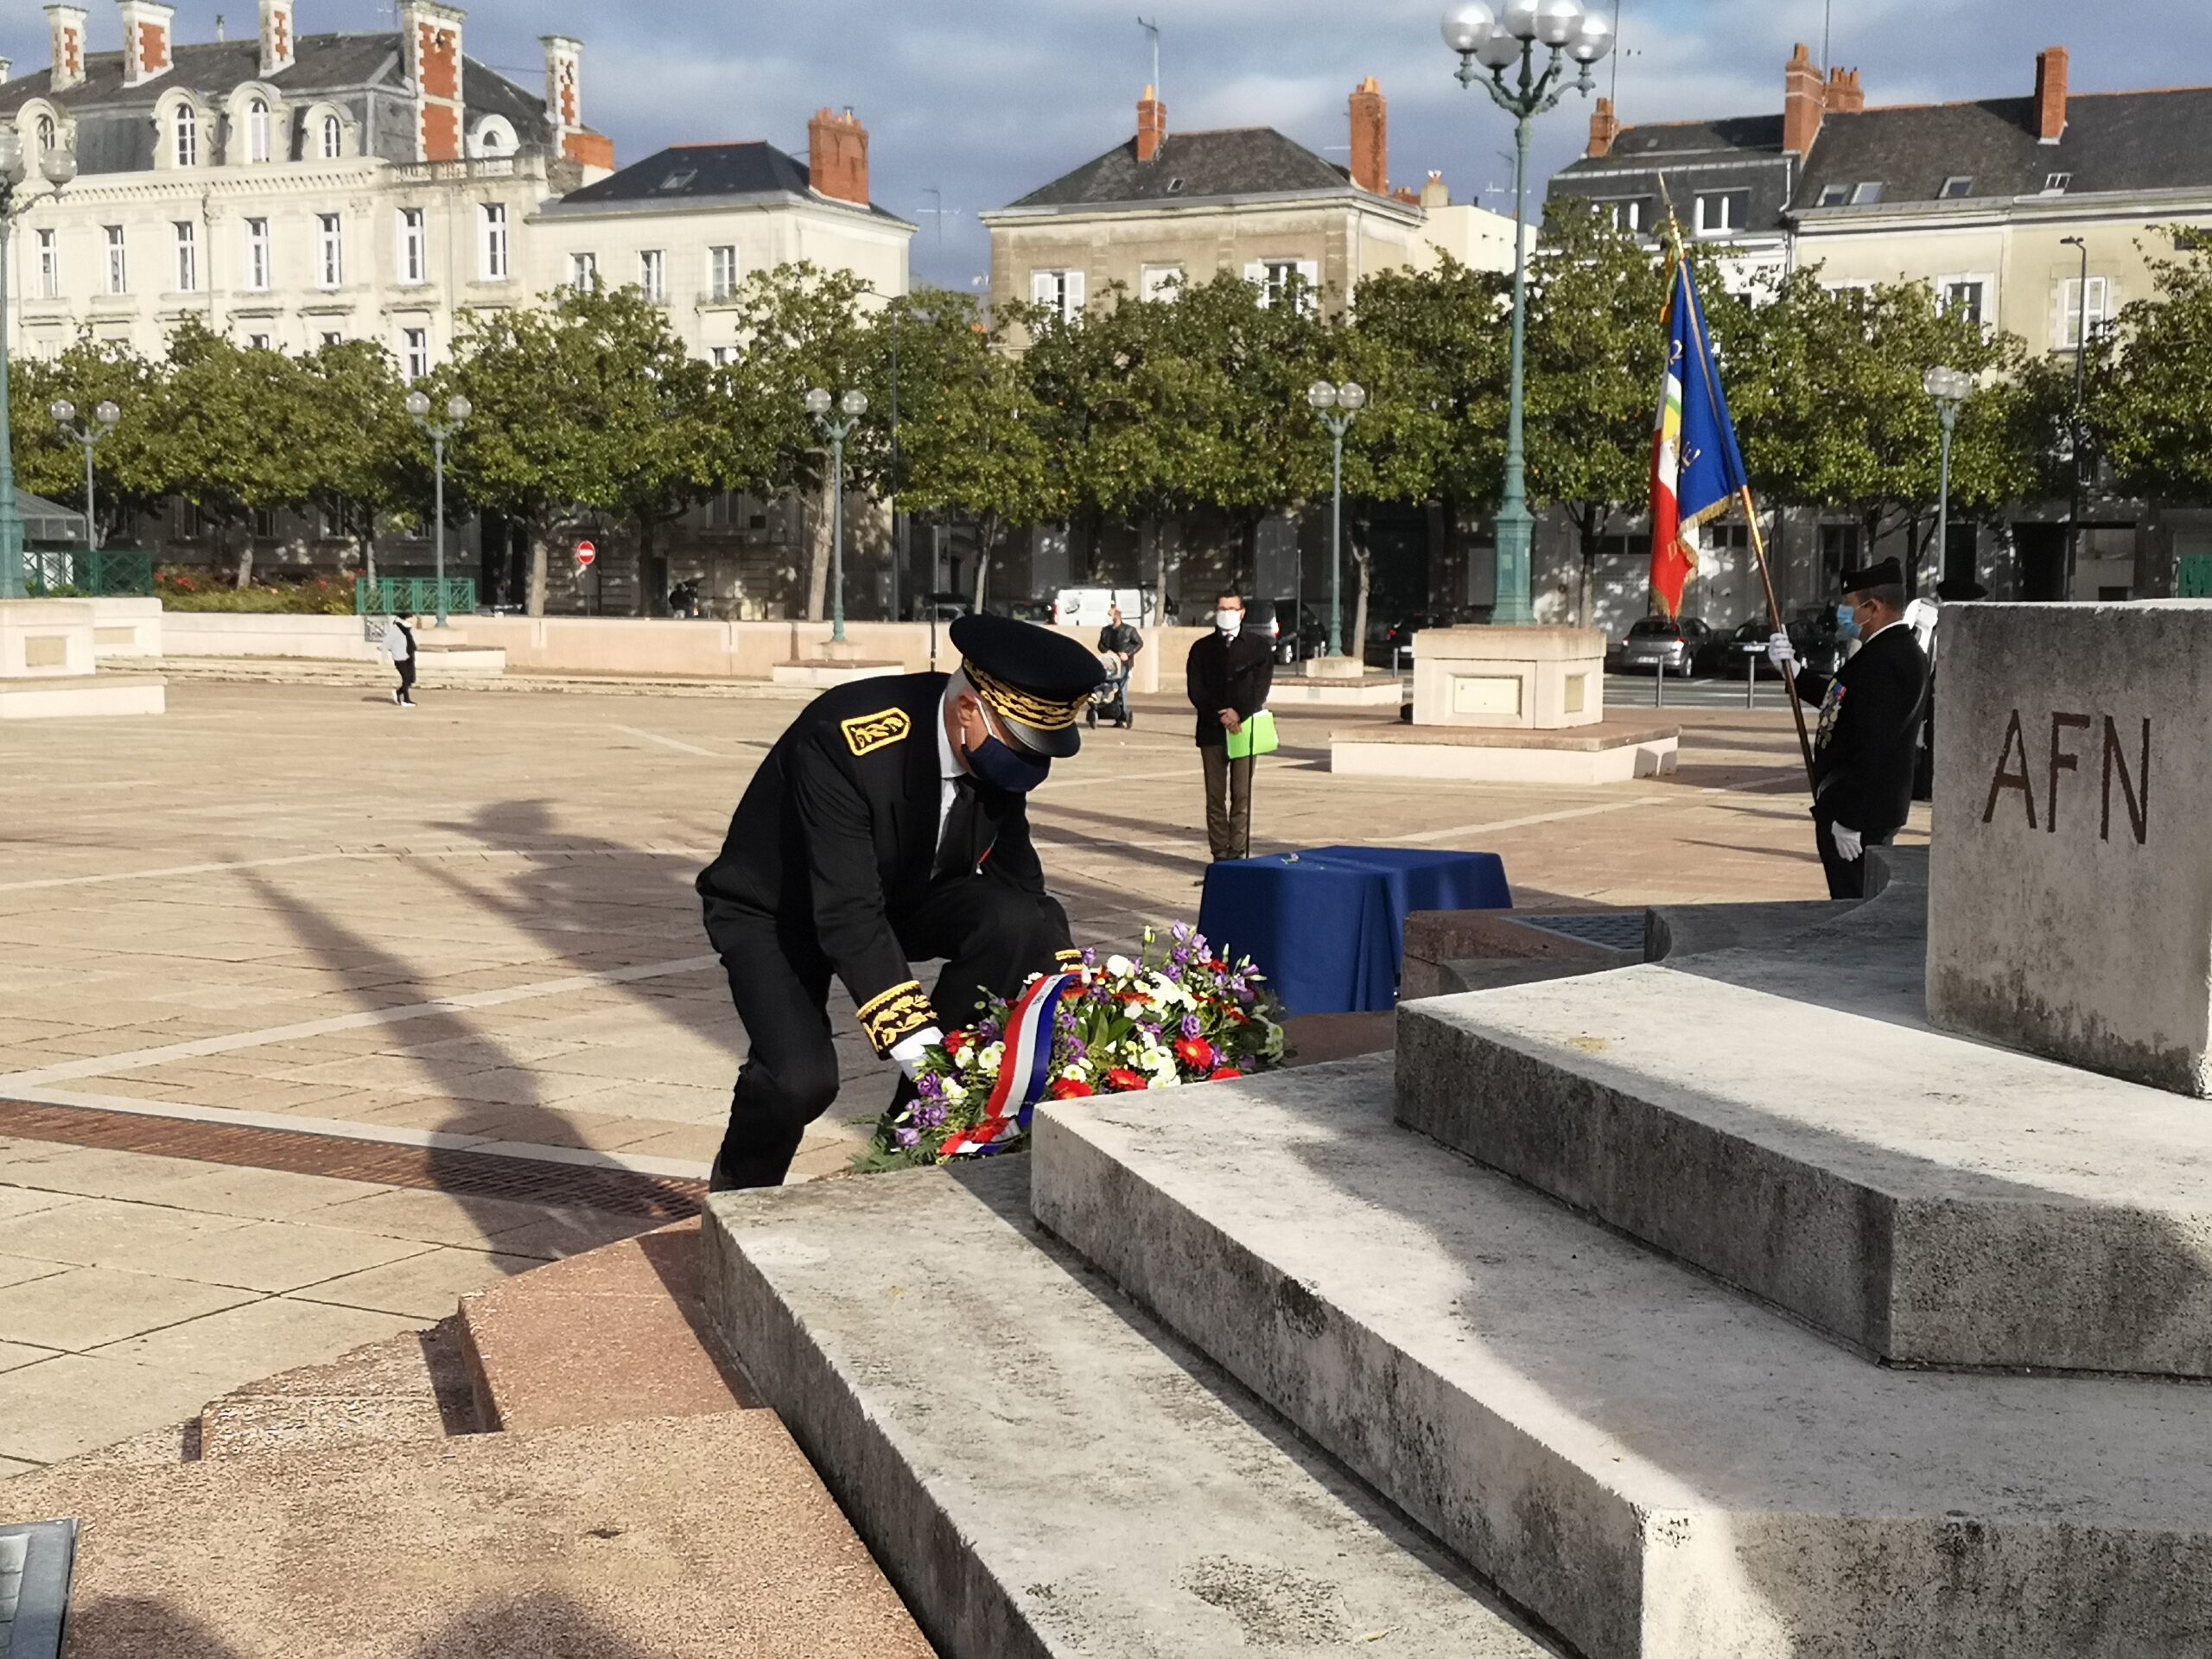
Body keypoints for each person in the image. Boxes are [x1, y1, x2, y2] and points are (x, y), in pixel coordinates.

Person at [696, 613, 1101, 1191]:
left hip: (902, 892)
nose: (1028, 765)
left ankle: (909, 1147)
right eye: (1019, 743)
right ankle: (738, 1198)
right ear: (968, 709)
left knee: (1015, 921)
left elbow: (1018, 880)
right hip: (778, 909)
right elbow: (847, 910)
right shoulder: (846, 739)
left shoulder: (993, 752)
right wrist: (925, 1056)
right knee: (799, 1080)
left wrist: (1066, 985)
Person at [1768, 558, 1931, 899]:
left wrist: (1852, 820)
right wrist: (1794, 673)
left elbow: (1878, 746)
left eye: (1850, 605)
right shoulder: (1880, 652)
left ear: (1874, 607)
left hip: (1860, 817)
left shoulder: (1890, 660)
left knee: (1855, 904)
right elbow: (1841, 702)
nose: (1845, 613)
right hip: (1849, 807)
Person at [1185, 588, 1276, 862]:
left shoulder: (1258, 646)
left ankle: (1237, 851)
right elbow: (1196, 690)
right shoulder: (1202, 648)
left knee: (1241, 794)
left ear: (1242, 612)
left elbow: (1260, 688)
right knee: (1215, 796)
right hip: (1211, 729)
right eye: (1222, 609)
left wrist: (1239, 712)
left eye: (1232, 609)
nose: (1226, 614)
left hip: (1245, 729)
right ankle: (1219, 852)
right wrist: (1221, 715)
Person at [1096, 605, 1143, 676]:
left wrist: (1127, 653)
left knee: (1122, 681)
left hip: (1124, 663)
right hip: (1109, 663)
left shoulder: (1129, 630)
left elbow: (1139, 643)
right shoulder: (1106, 630)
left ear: (1116, 616)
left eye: (1110, 615)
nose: (1108, 617)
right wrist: (1105, 648)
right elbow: (1101, 647)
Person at [385, 613, 417, 709]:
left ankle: (398, 692)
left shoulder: (409, 628)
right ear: (407, 618)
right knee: (406, 678)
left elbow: (411, 641)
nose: (414, 619)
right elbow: (388, 643)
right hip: (400, 658)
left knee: (411, 679)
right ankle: (406, 700)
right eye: (412, 617)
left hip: (409, 656)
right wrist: (397, 651)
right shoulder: (396, 629)